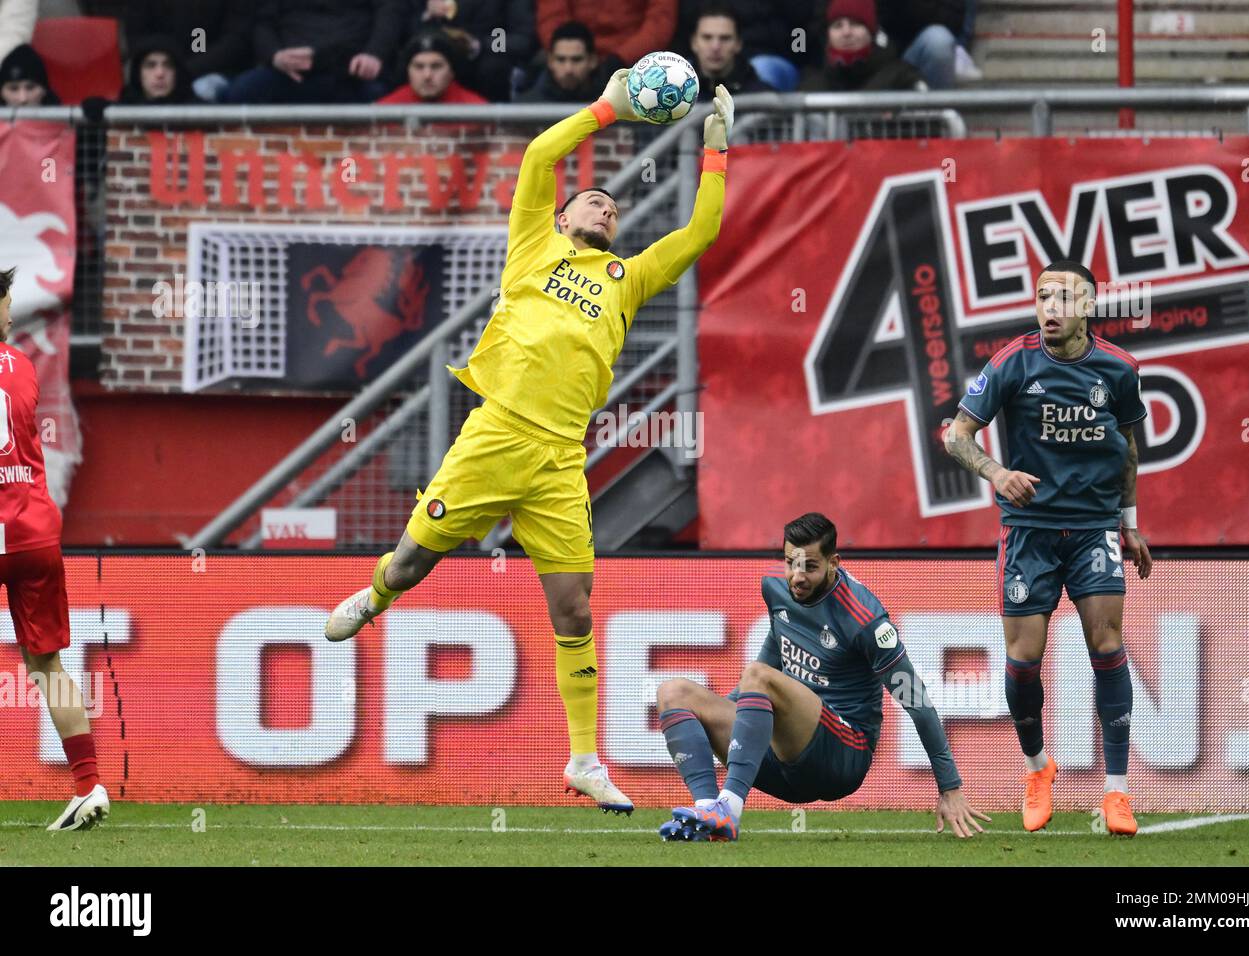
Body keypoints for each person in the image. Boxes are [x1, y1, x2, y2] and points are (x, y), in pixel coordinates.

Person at [322, 74, 735, 815]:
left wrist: (715, 148)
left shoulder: (626, 278)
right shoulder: (532, 244)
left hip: (560, 460)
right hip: (496, 433)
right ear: (566, 214)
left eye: (614, 205)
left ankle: (582, 758)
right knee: (416, 562)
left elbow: (701, 232)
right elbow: (542, 155)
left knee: (574, 609)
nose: (606, 205)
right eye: (593, 199)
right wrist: (609, 107)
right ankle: (379, 591)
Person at [944, 259, 1152, 836]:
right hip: (1029, 532)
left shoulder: (1119, 369)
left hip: (1092, 530)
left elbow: (1128, 450)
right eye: (1043, 296)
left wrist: (1128, 524)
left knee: (1107, 645)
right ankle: (1038, 768)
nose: (1051, 307)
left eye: (1065, 297)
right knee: (1021, 662)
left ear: (1089, 306)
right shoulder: (1013, 362)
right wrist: (996, 471)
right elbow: (956, 434)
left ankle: (1117, 792)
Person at [656, 513, 988, 841]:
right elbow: (775, 651)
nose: (797, 577)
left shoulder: (865, 619)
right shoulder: (775, 586)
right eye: (790, 563)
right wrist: (726, 721)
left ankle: (729, 808)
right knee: (673, 692)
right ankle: (707, 816)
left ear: (834, 563)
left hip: (842, 756)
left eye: (810, 567)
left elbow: (917, 701)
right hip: (785, 759)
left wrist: (950, 785)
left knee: (756, 676)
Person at [0, 268, 108, 832]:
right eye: (7, 303)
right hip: (34, 534)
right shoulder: (20, 366)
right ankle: (88, 785)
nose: (12, 314)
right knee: (46, 664)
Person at [223, 0, 405, 104]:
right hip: (289, 73)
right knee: (238, 93)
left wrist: (375, 53)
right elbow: (263, 21)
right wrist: (274, 56)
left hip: (349, 72)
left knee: (380, 98)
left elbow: (390, 9)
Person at [124, 0, 254, 103]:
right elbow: (137, 37)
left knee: (201, 89)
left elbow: (235, 40)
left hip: (212, 72)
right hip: (163, 67)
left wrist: (184, 69)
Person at [407, 0, 534, 102]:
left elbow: (523, 40)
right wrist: (427, 14)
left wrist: (478, 44)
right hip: (436, 60)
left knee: (492, 69)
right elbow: (404, 33)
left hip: (489, 68)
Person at [799, 0, 922, 93]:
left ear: (871, 33)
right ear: (828, 35)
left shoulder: (901, 77)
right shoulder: (812, 84)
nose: (846, 32)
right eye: (837, 25)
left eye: (855, 24)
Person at [535, 0, 676, 70]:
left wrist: (622, 57)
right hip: (574, 55)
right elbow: (551, 19)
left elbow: (659, 22)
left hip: (634, 61)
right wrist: (573, 53)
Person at [686, 3, 772, 100]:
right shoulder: (674, 94)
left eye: (725, 38)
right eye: (707, 37)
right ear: (693, 43)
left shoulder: (761, 96)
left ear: (738, 44)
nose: (715, 47)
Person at [378, 28, 487, 104]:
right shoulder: (385, 111)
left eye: (436, 66)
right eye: (419, 67)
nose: (427, 75)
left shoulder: (477, 110)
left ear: (452, 72)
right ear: (407, 71)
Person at [876, 0, 963, 89]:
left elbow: (955, 20)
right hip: (879, 54)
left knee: (939, 41)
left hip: (920, 53)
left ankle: (937, 101)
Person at [515, 20, 602, 103]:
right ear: (550, 61)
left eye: (576, 60)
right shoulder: (525, 108)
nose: (568, 69)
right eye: (561, 60)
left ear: (593, 61)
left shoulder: (612, 107)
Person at [118, 36, 196, 105]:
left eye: (168, 65)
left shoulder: (198, 112)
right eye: (150, 65)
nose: (160, 73)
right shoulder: (116, 114)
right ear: (138, 73)